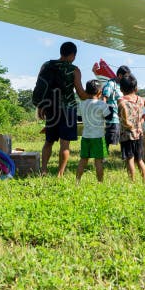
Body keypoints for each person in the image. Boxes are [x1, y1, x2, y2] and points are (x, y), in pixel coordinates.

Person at [33, 41, 88, 177]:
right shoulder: (74, 70)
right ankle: (60, 174)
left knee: (48, 141)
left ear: (61, 52)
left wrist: (41, 105)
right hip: (68, 110)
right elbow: (81, 94)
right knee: (65, 144)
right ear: (73, 55)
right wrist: (93, 95)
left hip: (51, 109)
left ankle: (44, 170)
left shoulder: (46, 65)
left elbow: (40, 87)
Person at [118, 74, 145, 182]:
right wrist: (144, 117)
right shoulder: (140, 99)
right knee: (139, 159)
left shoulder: (121, 100)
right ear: (136, 88)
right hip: (139, 133)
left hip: (127, 135)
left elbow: (124, 117)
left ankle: (132, 181)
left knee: (129, 159)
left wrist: (128, 125)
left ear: (121, 89)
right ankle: (144, 180)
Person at [76, 80, 113, 183]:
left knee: (83, 160)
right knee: (98, 161)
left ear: (86, 91)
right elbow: (109, 117)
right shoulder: (101, 104)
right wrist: (111, 108)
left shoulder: (82, 104)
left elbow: (79, 117)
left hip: (86, 136)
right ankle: (100, 182)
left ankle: (77, 181)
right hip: (98, 137)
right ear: (99, 92)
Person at [102, 65, 130, 152]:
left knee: (124, 136)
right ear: (120, 75)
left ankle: (124, 155)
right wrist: (104, 111)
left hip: (123, 116)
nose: (127, 78)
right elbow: (104, 98)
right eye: (126, 76)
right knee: (109, 136)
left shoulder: (124, 85)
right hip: (113, 116)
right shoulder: (111, 84)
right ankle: (103, 155)